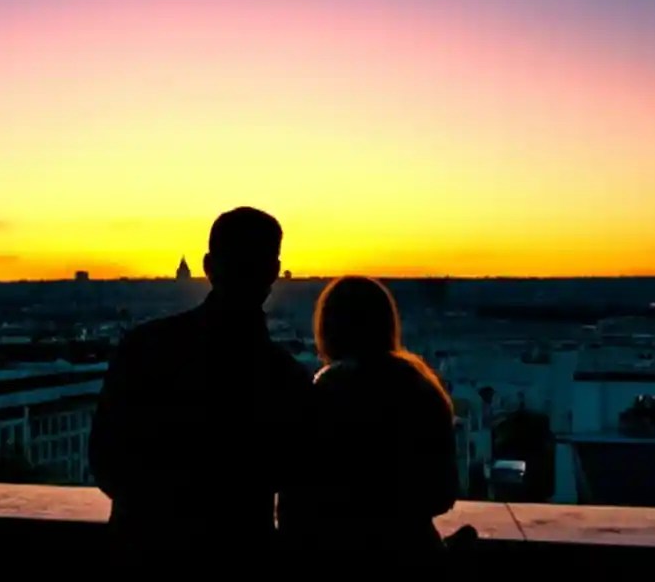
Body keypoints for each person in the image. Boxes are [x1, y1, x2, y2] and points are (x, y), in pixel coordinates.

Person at [89, 207, 311, 555]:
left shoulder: (144, 347)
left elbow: (106, 460)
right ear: (273, 271)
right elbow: (294, 482)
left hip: (144, 552)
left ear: (208, 267)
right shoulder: (287, 377)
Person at [279, 276, 458, 558]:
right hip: (413, 552)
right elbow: (442, 492)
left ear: (327, 328)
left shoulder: (327, 390)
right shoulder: (420, 386)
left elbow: (296, 496)